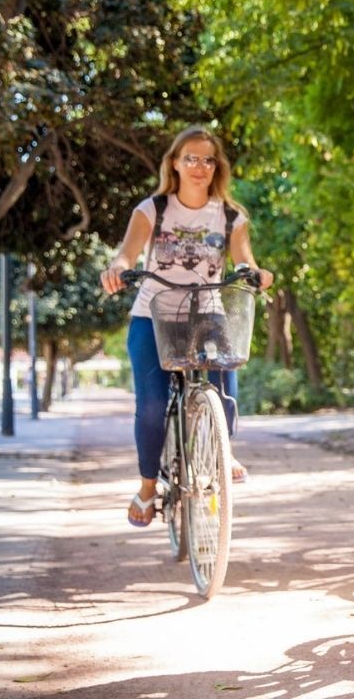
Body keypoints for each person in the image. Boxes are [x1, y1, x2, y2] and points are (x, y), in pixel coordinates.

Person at [100, 125, 274, 527]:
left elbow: (244, 261)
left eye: (208, 160)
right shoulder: (152, 210)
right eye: (191, 158)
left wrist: (256, 273)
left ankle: (223, 452)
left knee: (225, 388)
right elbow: (126, 255)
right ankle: (148, 487)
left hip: (207, 314)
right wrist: (117, 269)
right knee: (151, 406)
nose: (200, 166)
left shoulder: (230, 216)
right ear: (175, 163)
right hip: (153, 317)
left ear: (217, 167)